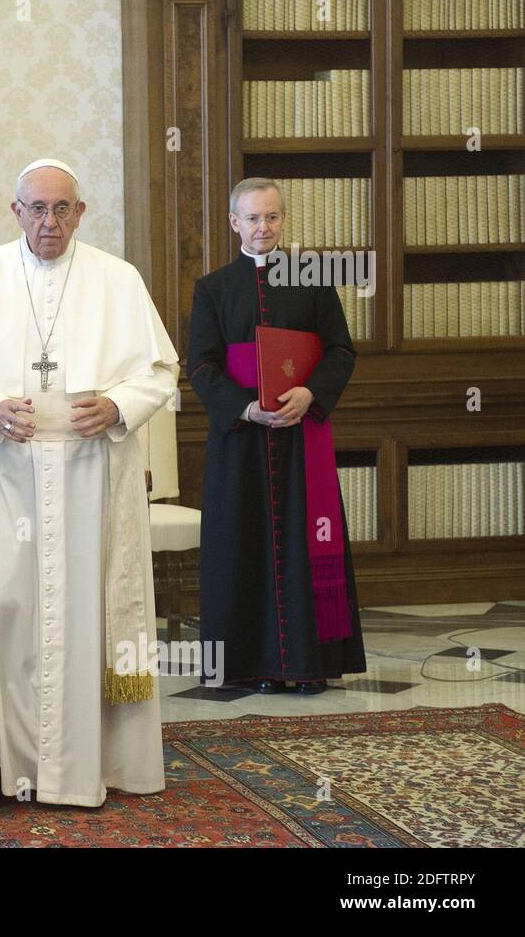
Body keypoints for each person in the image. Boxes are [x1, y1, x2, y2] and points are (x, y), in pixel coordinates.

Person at [0, 159, 177, 808]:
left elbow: (159, 370)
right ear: (15, 211)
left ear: (81, 213)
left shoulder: (118, 280)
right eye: (36, 208)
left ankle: (91, 764)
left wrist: (119, 405)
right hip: (7, 469)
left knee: (85, 619)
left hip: (94, 472)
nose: (49, 222)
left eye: (62, 209)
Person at [188, 177, 365, 694]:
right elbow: (200, 366)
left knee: (309, 543)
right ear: (233, 223)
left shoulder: (313, 278)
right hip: (240, 441)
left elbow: (341, 351)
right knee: (241, 545)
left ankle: (310, 665)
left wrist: (311, 394)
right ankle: (252, 665)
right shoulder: (213, 288)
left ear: (282, 220)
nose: (262, 227)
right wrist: (245, 408)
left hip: (300, 439)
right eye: (252, 218)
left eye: (272, 217)